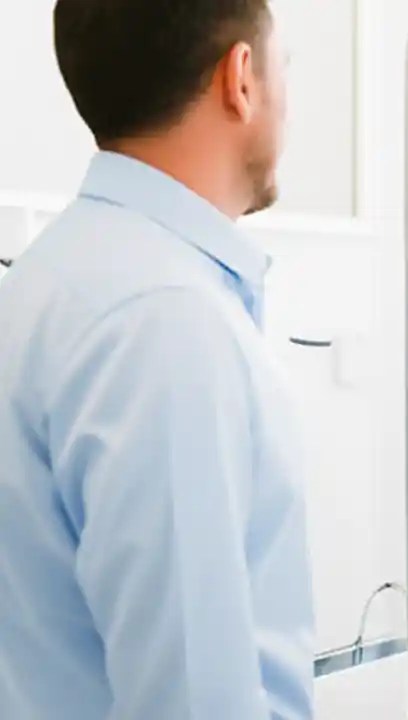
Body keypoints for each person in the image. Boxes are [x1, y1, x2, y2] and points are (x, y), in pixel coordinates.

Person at [0, 1, 314, 718]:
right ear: (241, 79)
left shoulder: (47, 280)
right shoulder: (165, 322)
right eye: (283, 66)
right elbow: (193, 699)